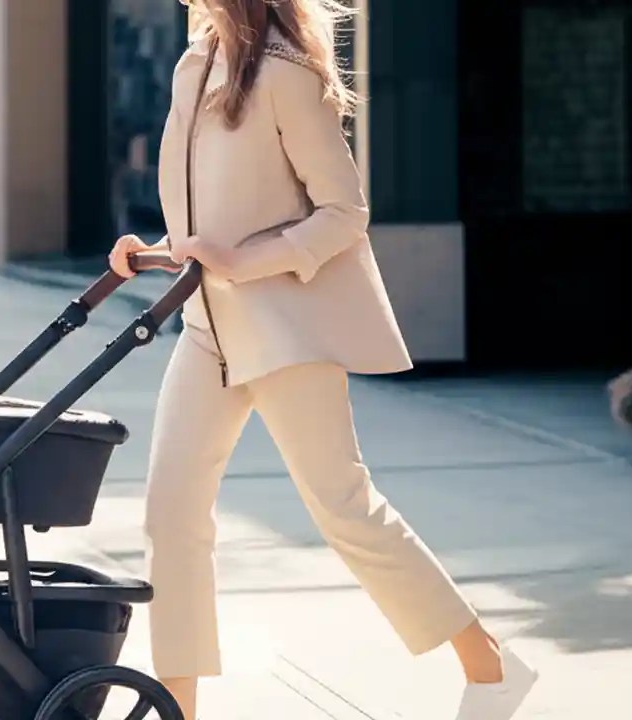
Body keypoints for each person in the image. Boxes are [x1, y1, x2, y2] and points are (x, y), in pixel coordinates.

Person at [108, 1, 539, 718]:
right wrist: (152, 251)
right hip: (208, 329)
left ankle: (489, 665)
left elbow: (343, 212)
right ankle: (178, 709)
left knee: (343, 507)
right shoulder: (193, 65)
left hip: (288, 328)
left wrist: (243, 263)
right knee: (171, 516)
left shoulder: (285, 73)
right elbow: (210, 224)